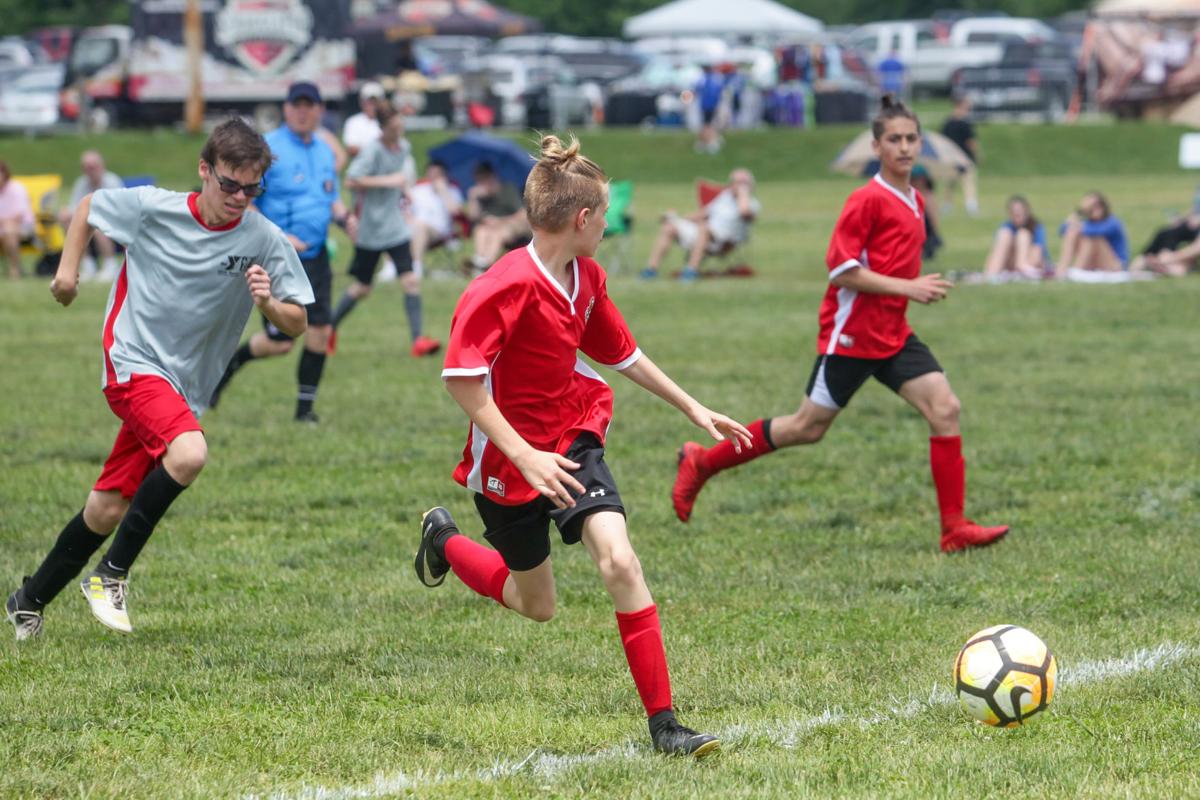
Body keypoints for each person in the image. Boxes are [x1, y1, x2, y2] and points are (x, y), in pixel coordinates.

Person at [414, 135, 753, 757]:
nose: (607, 227)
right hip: (510, 459)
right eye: (605, 216)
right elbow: (462, 380)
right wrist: (524, 456)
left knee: (620, 562)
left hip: (573, 435)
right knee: (536, 604)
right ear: (583, 218)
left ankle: (666, 726)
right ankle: (443, 540)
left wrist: (692, 405)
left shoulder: (587, 277)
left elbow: (623, 353)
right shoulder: (502, 285)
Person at [4, 119, 312, 641]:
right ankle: (110, 575)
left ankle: (28, 601)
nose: (239, 197)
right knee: (189, 453)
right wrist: (67, 273)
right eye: (229, 184)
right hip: (132, 360)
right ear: (204, 170)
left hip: (182, 385)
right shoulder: (153, 208)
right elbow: (88, 208)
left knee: (106, 507)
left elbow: (298, 321)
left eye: (251, 188)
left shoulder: (262, 238)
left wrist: (267, 304)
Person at [670, 96, 1009, 555]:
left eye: (911, 139)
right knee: (806, 427)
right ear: (877, 146)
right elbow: (841, 270)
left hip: (893, 334)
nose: (904, 147)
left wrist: (904, 290)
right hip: (852, 335)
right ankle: (701, 461)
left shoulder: (914, 198)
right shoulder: (866, 199)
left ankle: (954, 529)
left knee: (945, 408)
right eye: (894, 139)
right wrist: (907, 287)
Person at [209, 82, 357, 423]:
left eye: (309, 105)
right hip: (276, 257)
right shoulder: (265, 149)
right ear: (286, 109)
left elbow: (330, 196)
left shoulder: (324, 151)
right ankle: (229, 366)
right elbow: (245, 202)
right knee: (281, 342)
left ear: (320, 110)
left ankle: (305, 411)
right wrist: (280, 237)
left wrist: (345, 218)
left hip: (317, 256)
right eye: (296, 105)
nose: (302, 112)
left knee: (320, 330)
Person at [331, 102, 440, 358]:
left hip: (395, 226)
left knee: (410, 280)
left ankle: (418, 341)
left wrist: (403, 191)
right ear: (382, 128)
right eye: (393, 128)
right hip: (371, 229)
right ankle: (329, 328)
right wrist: (390, 181)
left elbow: (397, 177)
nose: (398, 131)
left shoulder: (404, 147)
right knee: (362, 288)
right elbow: (351, 180)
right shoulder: (372, 151)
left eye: (400, 126)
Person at [641, 168, 760, 281]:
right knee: (669, 227)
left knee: (704, 228)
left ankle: (691, 271)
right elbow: (704, 214)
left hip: (723, 241)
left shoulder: (752, 204)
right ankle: (651, 270)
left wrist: (743, 194)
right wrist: (676, 219)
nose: (739, 186)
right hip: (703, 235)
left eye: (743, 183)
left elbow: (744, 213)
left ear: (750, 186)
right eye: (736, 182)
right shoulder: (724, 197)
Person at [61, 150, 124, 281]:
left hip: (114, 224)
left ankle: (110, 265)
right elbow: (74, 207)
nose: (90, 171)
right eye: (87, 168)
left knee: (96, 223)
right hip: (89, 222)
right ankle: (88, 265)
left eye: (93, 166)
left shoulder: (112, 181)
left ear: (102, 165)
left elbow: (118, 210)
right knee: (68, 220)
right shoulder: (81, 183)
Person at [463, 161, 529, 275]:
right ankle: (480, 261)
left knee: (497, 233)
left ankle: (486, 265)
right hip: (491, 228)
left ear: (491, 177)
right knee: (480, 230)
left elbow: (522, 215)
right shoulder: (481, 197)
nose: (480, 184)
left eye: (483, 180)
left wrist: (499, 221)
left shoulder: (507, 189)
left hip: (513, 226)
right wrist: (473, 198)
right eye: (478, 181)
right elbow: (473, 217)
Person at [407, 159, 465, 275]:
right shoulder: (418, 190)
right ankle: (392, 267)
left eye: (437, 174)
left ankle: (415, 266)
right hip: (413, 227)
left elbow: (456, 212)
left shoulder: (452, 191)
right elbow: (406, 210)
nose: (434, 177)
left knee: (421, 227)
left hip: (439, 231)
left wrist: (444, 192)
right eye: (431, 174)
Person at [1056, 191, 1129, 279]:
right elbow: (1063, 230)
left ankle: (1077, 270)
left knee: (1092, 238)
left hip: (1115, 265)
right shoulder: (1088, 222)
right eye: (1092, 208)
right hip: (1095, 263)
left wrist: (1077, 225)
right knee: (1072, 233)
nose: (1095, 210)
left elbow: (1096, 232)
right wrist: (1079, 212)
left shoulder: (1112, 222)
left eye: (1097, 206)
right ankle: (1062, 269)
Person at [983, 196, 1048, 281]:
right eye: (1014, 213)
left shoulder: (1035, 226)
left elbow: (1038, 253)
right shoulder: (1007, 227)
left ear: (1026, 212)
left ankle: (1022, 267)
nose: (1017, 215)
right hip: (1012, 262)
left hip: (1031, 261)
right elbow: (996, 251)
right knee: (1004, 234)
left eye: (1019, 212)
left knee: (1023, 234)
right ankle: (992, 273)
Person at [940, 95, 980, 216]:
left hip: (950, 158)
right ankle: (971, 206)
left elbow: (942, 141)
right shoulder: (965, 123)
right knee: (968, 182)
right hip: (964, 158)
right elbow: (971, 142)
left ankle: (947, 206)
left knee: (949, 184)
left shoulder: (947, 122)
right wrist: (977, 155)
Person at [0, 160, 35, 279]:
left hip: (23, 227)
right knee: (7, 229)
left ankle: (15, 269)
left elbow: (19, 215)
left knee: (9, 230)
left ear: (4, 173)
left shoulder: (17, 188)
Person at [342, 81, 386, 159]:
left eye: (375, 102)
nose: (372, 105)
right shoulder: (353, 122)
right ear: (362, 102)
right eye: (369, 102)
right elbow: (352, 149)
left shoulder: (387, 121)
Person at [693, 64, 725, 154]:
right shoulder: (711, 79)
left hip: (709, 104)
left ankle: (708, 141)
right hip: (708, 105)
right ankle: (707, 141)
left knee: (708, 124)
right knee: (708, 124)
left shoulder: (709, 79)